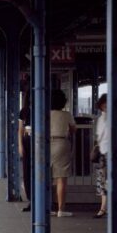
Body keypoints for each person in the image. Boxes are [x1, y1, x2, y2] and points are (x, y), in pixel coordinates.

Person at [50, 89, 76, 217]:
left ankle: (46, 208)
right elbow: (73, 129)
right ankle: (61, 209)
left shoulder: (44, 114)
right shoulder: (67, 115)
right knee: (61, 179)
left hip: (45, 144)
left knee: (45, 178)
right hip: (61, 143)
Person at [94, 93, 108, 218]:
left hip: (104, 152)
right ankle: (103, 208)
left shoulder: (101, 119)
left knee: (103, 181)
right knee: (106, 181)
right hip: (107, 152)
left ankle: (103, 209)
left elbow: (99, 136)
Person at [18, 91, 31, 212]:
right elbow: (20, 130)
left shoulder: (45, 109)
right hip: (28, 142)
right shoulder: (24, 111)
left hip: (40, 143)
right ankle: (31, 200)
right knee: (27, 172)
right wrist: (20, 145)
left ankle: (37, 200)